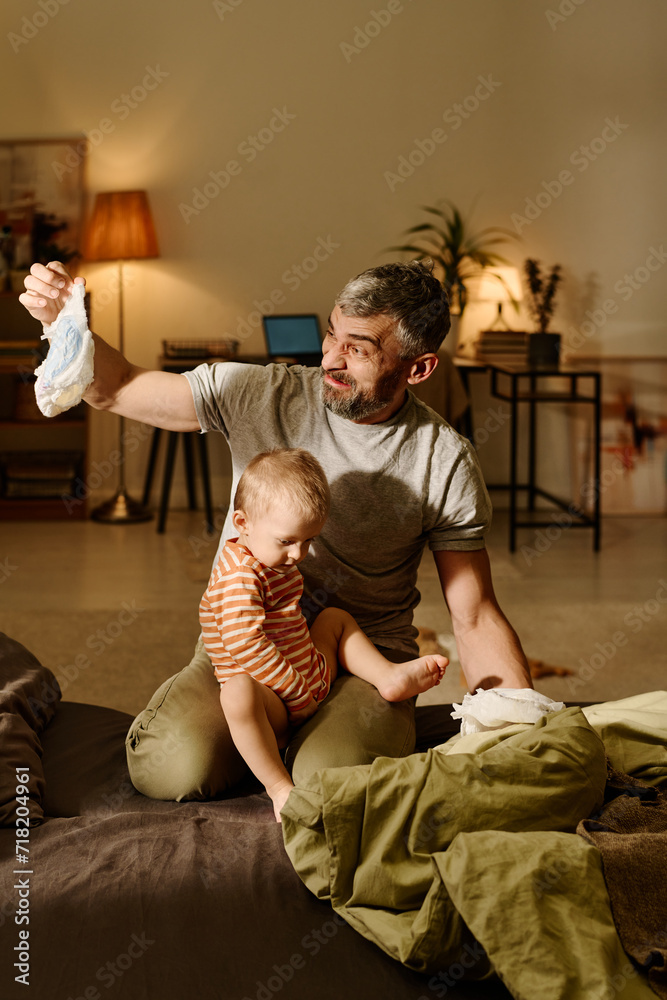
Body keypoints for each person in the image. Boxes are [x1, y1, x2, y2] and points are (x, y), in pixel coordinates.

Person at [20, 258, 532, 803]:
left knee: (330, 788)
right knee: (169, 768)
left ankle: (304, 745)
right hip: (248, 644)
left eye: (358, 349)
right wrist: (64, 321)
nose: (330, 359)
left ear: (419, 368)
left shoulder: (444, 459)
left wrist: (518, 727)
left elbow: (474, 615)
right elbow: (117, 389)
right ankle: (270, 737)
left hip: (360, 652)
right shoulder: (259, 391)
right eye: (331, 334)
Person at [202, 447, 447, 820]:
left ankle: (389, 676)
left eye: (310, 540)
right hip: (277, 700)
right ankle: (278, 785)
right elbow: (247, 647)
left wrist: (307, 672)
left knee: (333, 619)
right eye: (287, 541)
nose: (300, 554)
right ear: (242, 522)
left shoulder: (269, 558)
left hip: (309, 672)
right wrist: (296, 691)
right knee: (236, 694)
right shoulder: (239, 578)